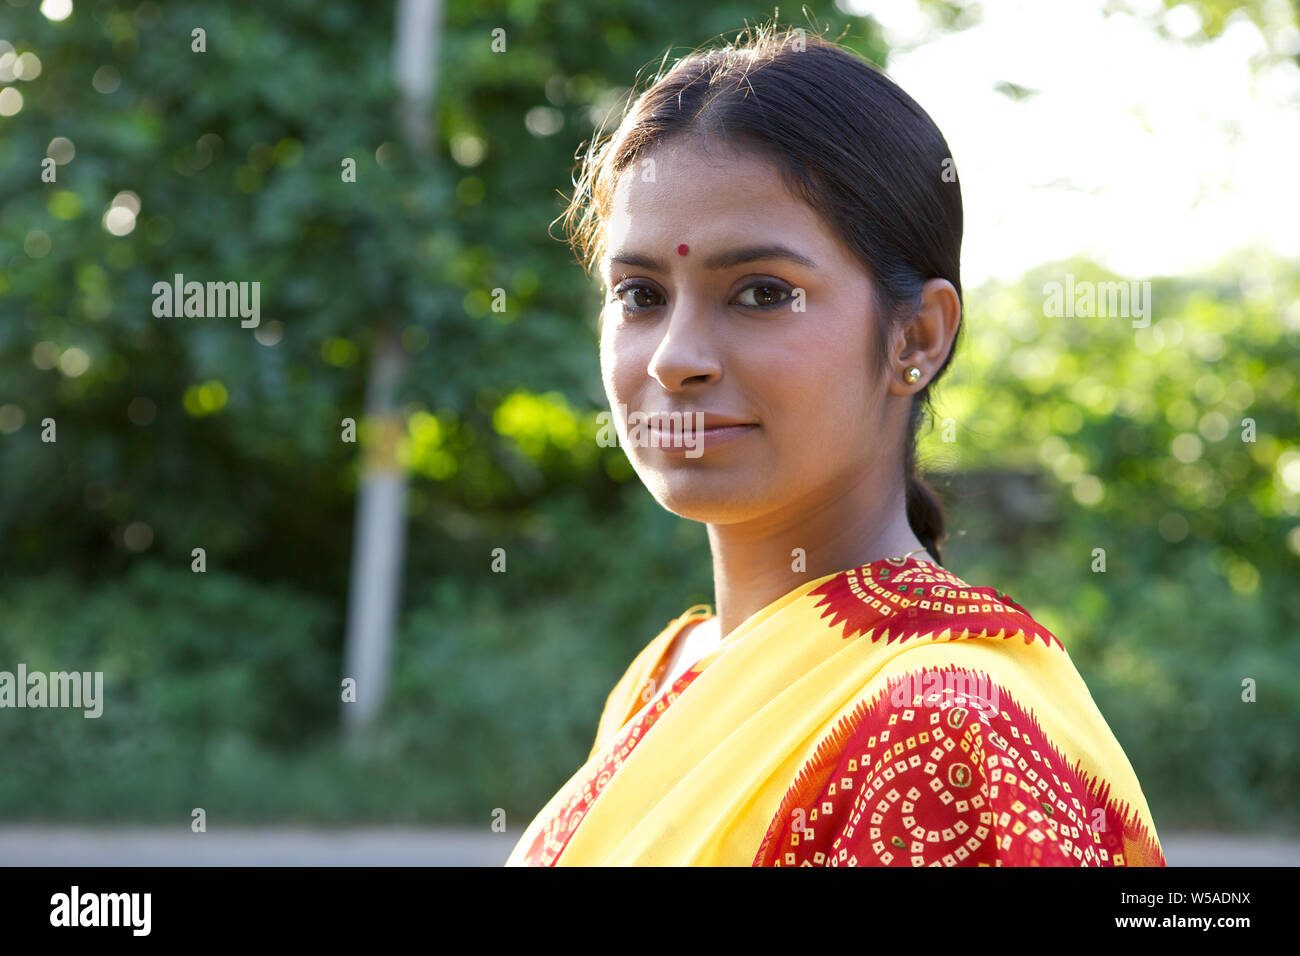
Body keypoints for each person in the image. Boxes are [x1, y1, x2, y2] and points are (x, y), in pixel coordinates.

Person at [505, 24, 1166, 867]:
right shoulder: (670, 670)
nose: (674, 358)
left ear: (916, 338)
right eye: (639, 294)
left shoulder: (943, 728)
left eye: (762, 293)